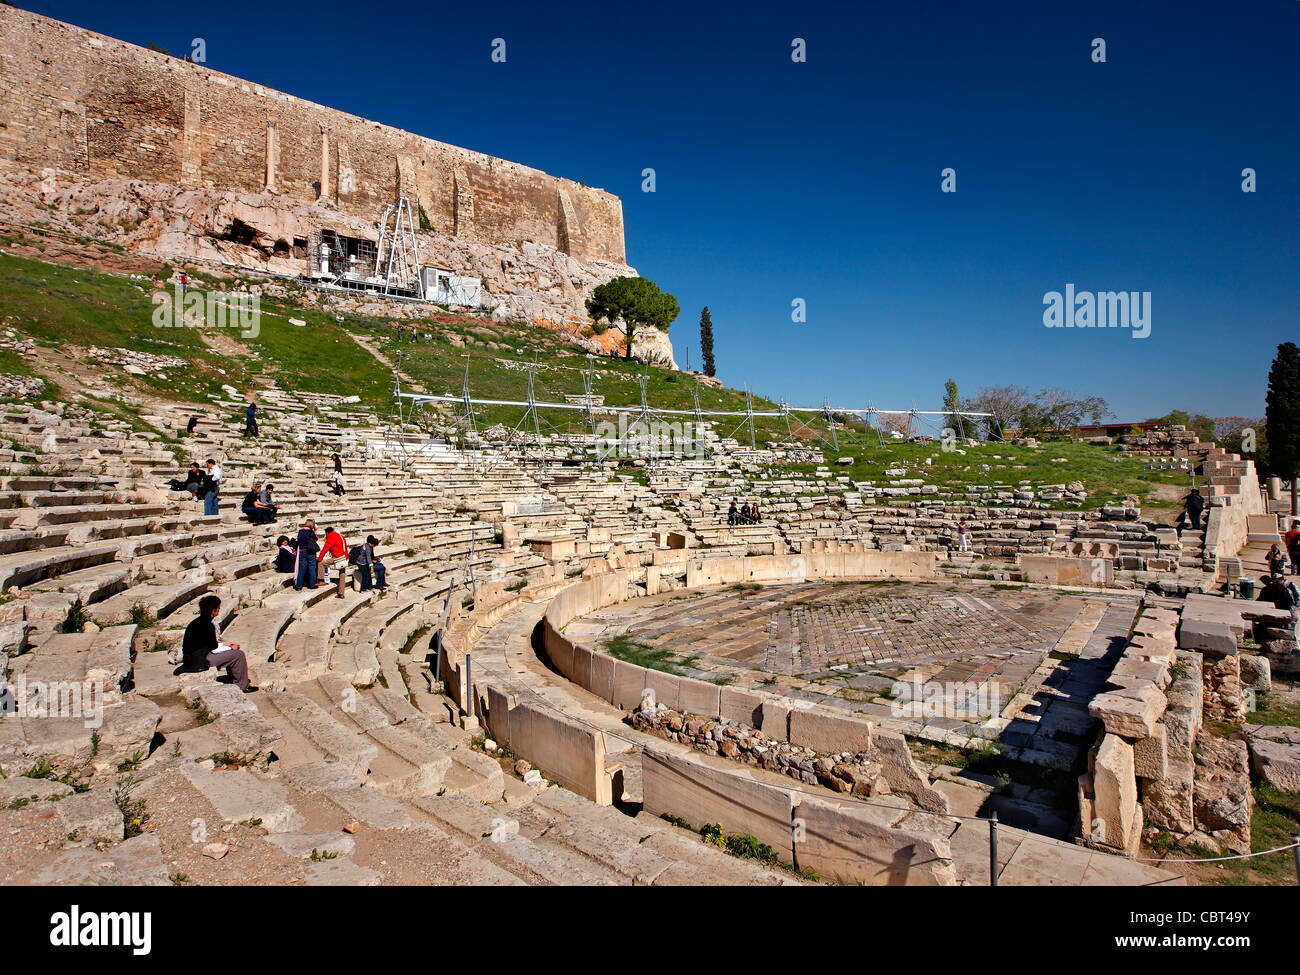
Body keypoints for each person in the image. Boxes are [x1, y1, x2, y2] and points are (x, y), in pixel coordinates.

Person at [177, 594, 254, 693]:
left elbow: (209, 644)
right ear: (213, 611)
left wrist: (227, 646)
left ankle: (233, 679)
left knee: (231, 652)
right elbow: (214, 647)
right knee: (238, 654)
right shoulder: (208, 625)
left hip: (192, 658)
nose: (219, 610)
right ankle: (242, 686)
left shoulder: (195, 622)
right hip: (200, 661)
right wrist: (231, 648)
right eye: (218, 608)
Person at [320, 525, 349, 598]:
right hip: (344, 558)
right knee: (342, 574)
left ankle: (321, 579)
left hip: (337, 558)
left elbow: (325, 549)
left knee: (321, 563)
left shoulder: (331, 537)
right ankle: (341, 593)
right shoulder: (340, 536)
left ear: (327, 533)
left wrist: (320, 558)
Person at [295, 519, 320, 591]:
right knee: (312, 567)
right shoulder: (311, 532)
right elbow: (316, 539)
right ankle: (312, 584)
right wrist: (315, 531)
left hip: (302, 551)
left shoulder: (300, 531)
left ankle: (299, 585)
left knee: (302, 568)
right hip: (310, 551)